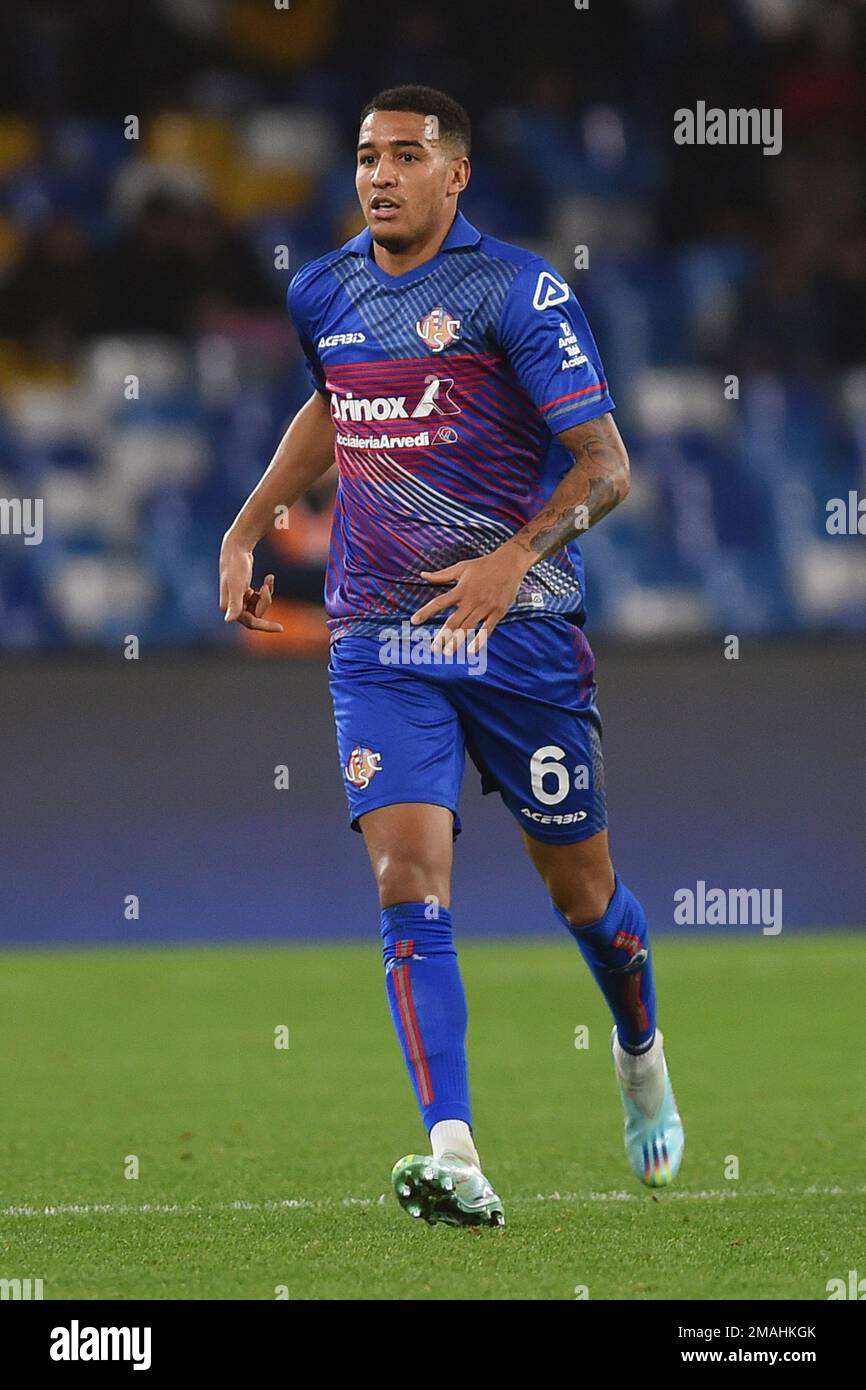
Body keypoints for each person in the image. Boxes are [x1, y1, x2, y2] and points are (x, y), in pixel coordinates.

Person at [219, 85, 684, 1229]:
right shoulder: (321, 287)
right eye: (367, 155)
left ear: (453, 174)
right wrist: (246, 523)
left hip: (517, 636)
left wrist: (511, 559)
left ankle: (637, 1049)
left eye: (405, 156)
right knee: (404, 881)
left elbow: (606, 465)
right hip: (378, 636)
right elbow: (332, 407)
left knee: (586, 901)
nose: (378, 175)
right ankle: (455, 1149)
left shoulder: (512, 290)